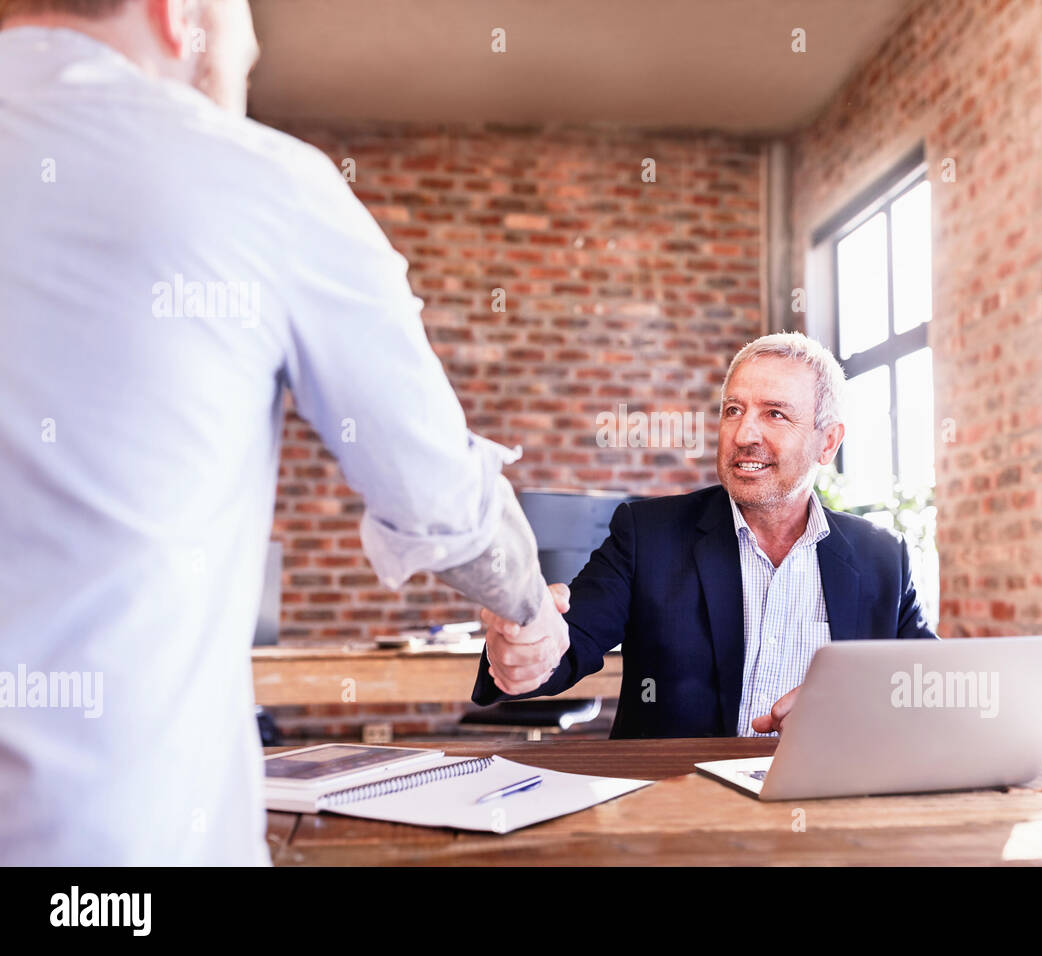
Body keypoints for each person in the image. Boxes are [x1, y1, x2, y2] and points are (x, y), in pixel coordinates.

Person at [0, 0, 565, 864]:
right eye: (242, 67)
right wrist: (529, 609)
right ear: (171, 16)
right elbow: (441, 504)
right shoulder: (256, 178)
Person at [476, 332, 939, 738]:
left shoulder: (882, 558)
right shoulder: (647, 535)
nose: (743, 434)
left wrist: (857, 701)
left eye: (775, 414)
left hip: (824, 806)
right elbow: (567, 642)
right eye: (733, 410)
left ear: (828, 442)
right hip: (677, 809)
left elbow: (933, 690)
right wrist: (524, 652)